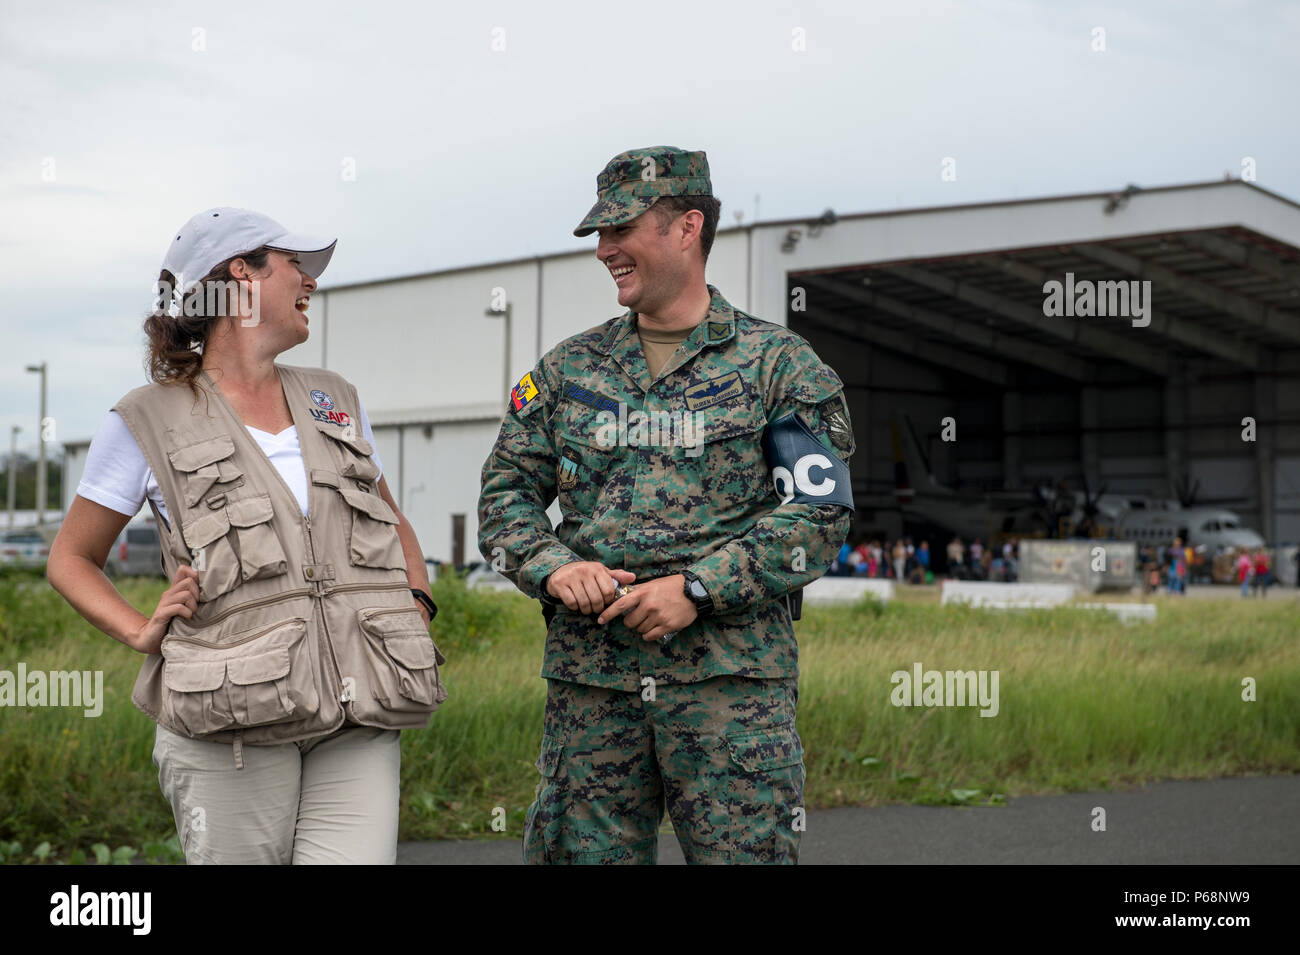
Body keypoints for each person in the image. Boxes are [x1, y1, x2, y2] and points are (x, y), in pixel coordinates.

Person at [477, 146, 854, 865]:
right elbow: (504, 497)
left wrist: (699, 588)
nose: (605, 250)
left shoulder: (779, 367)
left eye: (622, 229)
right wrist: (553, 566)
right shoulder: (568, 371)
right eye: (599, 235)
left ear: (687, 227)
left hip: (730, 696)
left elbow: (819, 514)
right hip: (592, 692)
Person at [47, 208, 446, 865]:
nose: (311, 282)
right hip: (231, 724)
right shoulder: (147, 417)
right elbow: (71, 558)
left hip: (361, 714)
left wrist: (417, 603)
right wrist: (139, 631)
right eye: (296, 265)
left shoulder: (334, 397)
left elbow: (393, 519)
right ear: (241, 273)